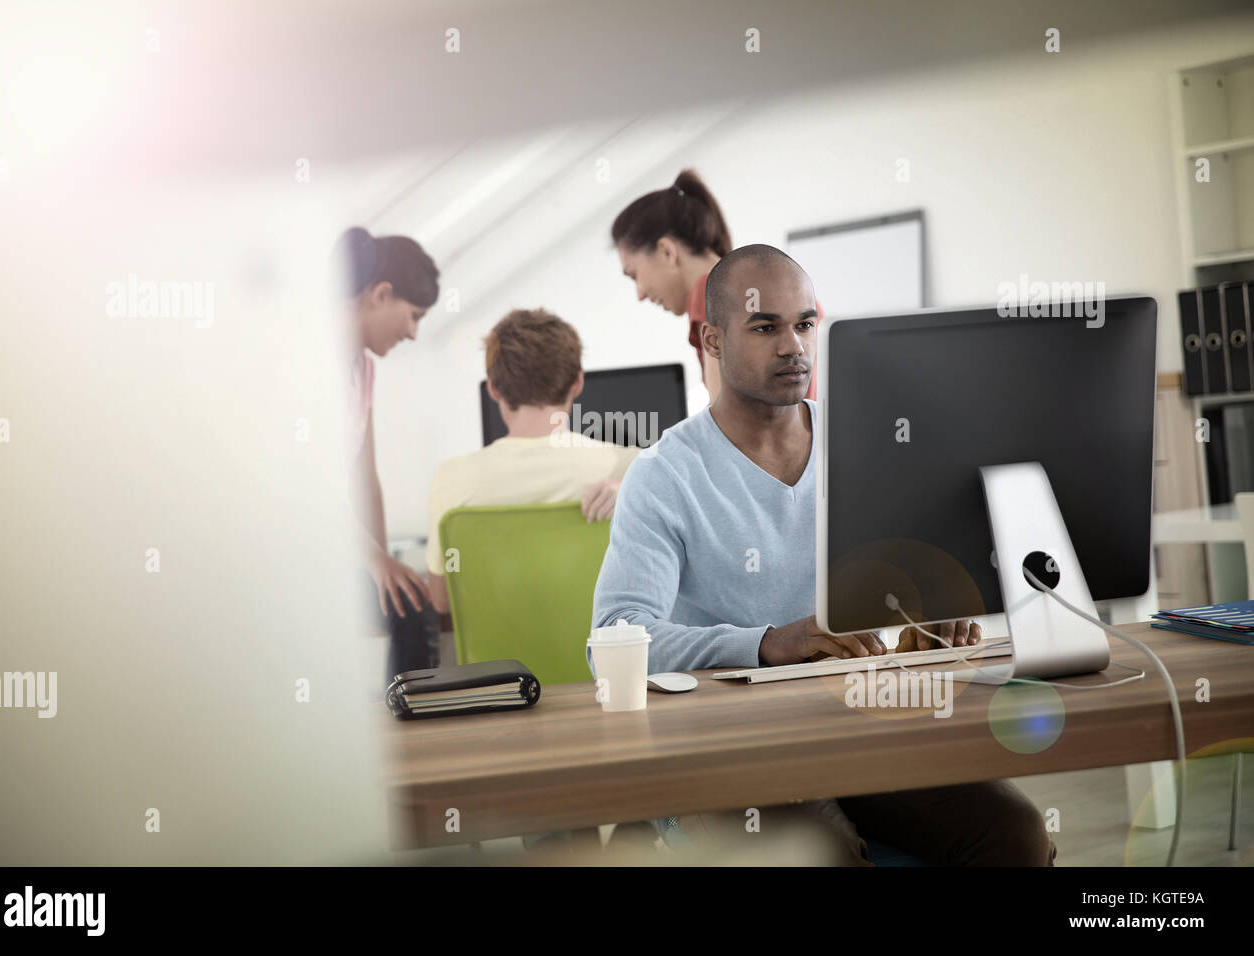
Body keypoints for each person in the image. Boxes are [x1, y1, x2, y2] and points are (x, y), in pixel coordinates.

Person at [590, 243, 1056, 866]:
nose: (794, 346)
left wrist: (929, 626)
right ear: (713, 341)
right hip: (730, 746)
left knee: (1016, 834)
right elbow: (614, 636)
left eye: (805, 324)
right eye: (765, 327)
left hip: (861, 724)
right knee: (823, 854)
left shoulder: (868, 442)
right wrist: (765, 643)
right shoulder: (665, 474)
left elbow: (905, 588)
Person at [424, 308, 638, 615]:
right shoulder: (629, 468)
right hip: (601, 660)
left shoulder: (451, 478)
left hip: (498, 663)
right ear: (577, 383)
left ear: (493, 389)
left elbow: (444, 600)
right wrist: (631, 486)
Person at [611, 169, 819, 405]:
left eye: (634, 274)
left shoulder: (709, 291)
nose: (639, 294)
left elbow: (726, 425)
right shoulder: (781, 287)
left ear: (667, 251)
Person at [334, 226, 443, 677]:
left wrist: (382, 565)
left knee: (408, 603)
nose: (415, 333)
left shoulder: (362, 370)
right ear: (380, 295)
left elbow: (366, 478)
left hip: (339, 546)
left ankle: (412, 728)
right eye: (414, 315)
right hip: (283, 547)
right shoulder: (306, 360)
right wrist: (373, 560)